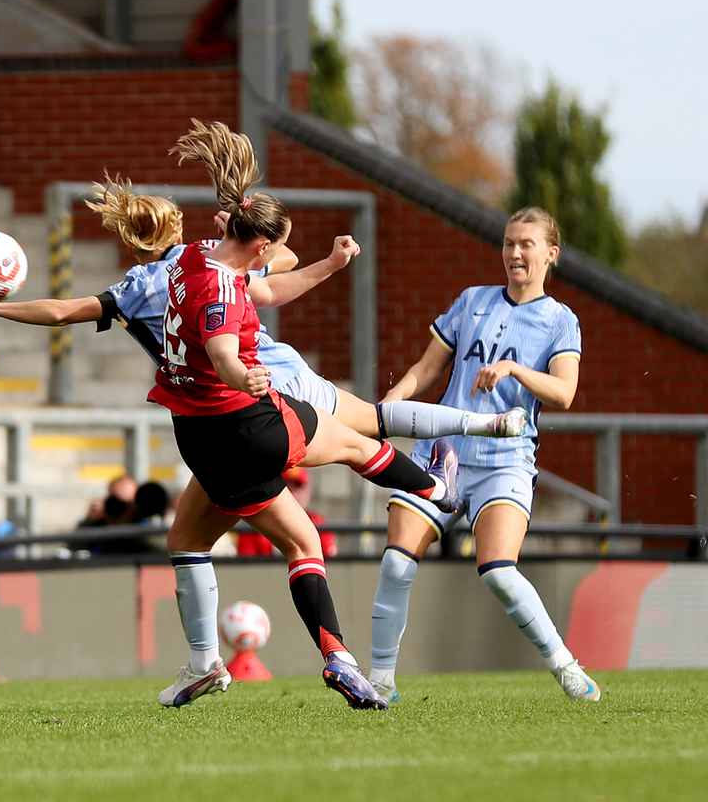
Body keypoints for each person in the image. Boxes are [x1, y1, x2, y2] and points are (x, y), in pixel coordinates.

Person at [140, 120, 466, 712]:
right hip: (248, 421)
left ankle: (208, 663)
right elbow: (224, 344)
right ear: (259, 249)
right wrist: (241, 375)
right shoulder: (226, 291)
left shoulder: (188, 258)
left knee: (189, 539)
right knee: (352, 448)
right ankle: (437, 491)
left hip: (199, 438)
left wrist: (324, 264)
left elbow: (263, 284)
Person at [0, 173, 526, 445]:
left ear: (130, 240)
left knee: (368, 433)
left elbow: (60, 312)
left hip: (249, 385)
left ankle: (469, 440)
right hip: (251, 381)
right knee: (366, 429)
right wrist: (250, 239)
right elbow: (281, 260)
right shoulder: (209, 252)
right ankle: (466, 438)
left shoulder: (140, 286)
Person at [368, 207, 599, 704]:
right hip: (442, 454)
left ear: (551, 254)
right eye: (509, 243)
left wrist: (514, 370)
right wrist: (392, 402)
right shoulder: (472, 300)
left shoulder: (561, 321)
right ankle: (380, 682)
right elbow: (427, 368)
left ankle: (566, 666)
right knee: (396, 563)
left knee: (498, 571)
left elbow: (564, 393)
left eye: (526, 244)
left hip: (505, 460)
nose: (515, 252)